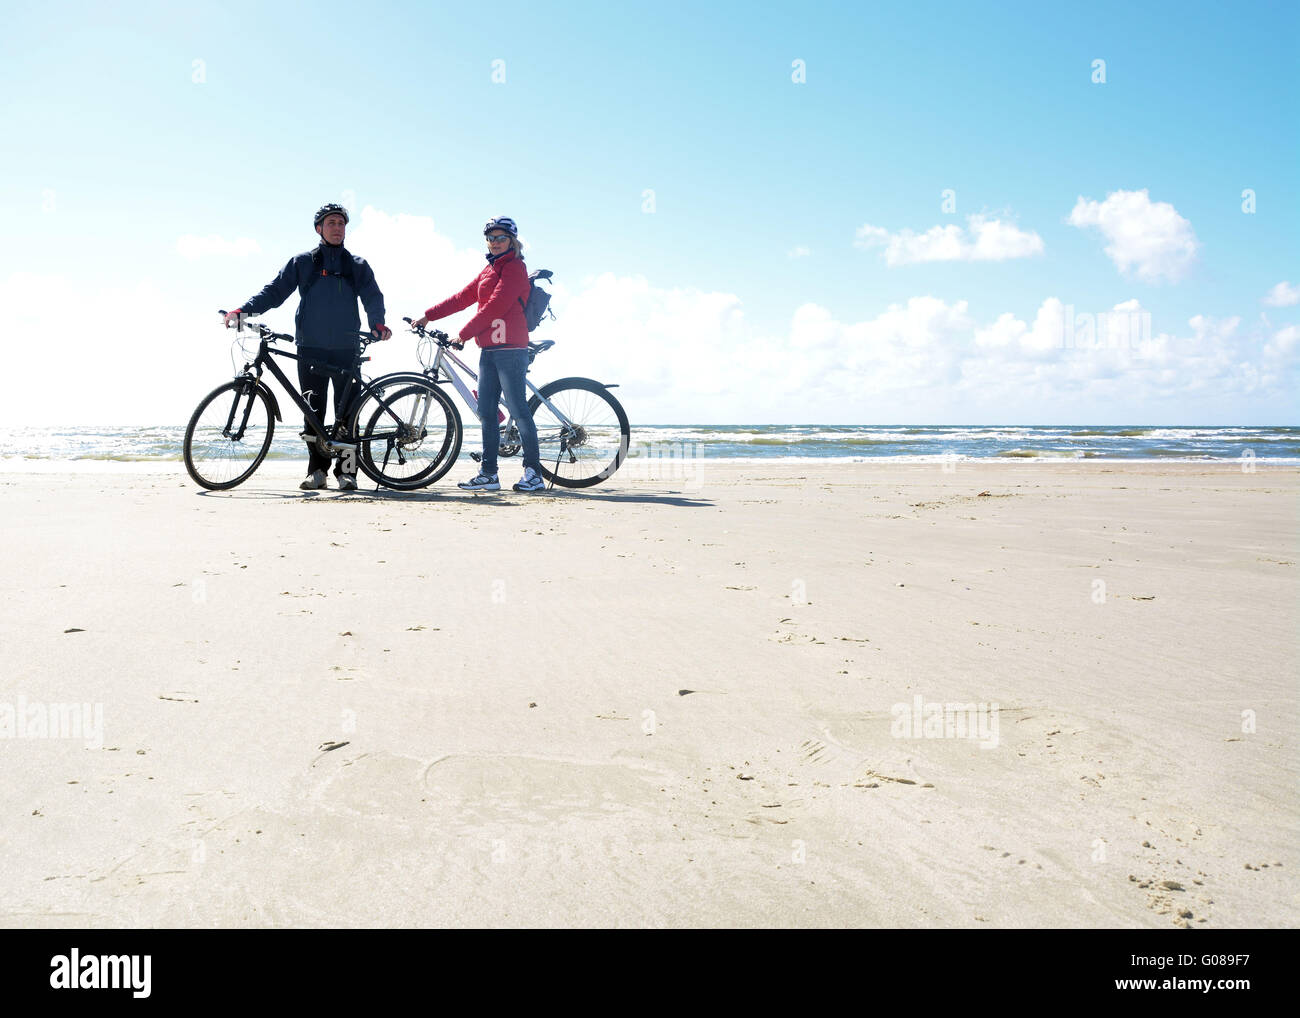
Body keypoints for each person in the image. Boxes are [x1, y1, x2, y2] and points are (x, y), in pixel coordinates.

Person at [223, 203, 391, 490]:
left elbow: (372, 296)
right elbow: (274, 292)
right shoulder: (303, 262)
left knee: (348, 414)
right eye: (331, 223)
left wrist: (378, 323)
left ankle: (347, 472)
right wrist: (244, 311)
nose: (337, 228)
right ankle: (317, 472)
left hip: (346, 347)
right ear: (319, 229)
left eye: (341, 223)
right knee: (312, 410)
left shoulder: (357, 265)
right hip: (310, 346)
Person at [414, 216, 544, 493]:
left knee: (519, 409)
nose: (495, 243)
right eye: (491, 238)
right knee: (486, 412)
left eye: (501, 238)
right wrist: (428, 316)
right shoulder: (489, 270)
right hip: (489, 349)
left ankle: (533, 473)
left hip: (511, 348)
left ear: (512, 241)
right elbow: (462, 298)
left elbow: (497, 305)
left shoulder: (515, 268)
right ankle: (489, 474)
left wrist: (463, 333)